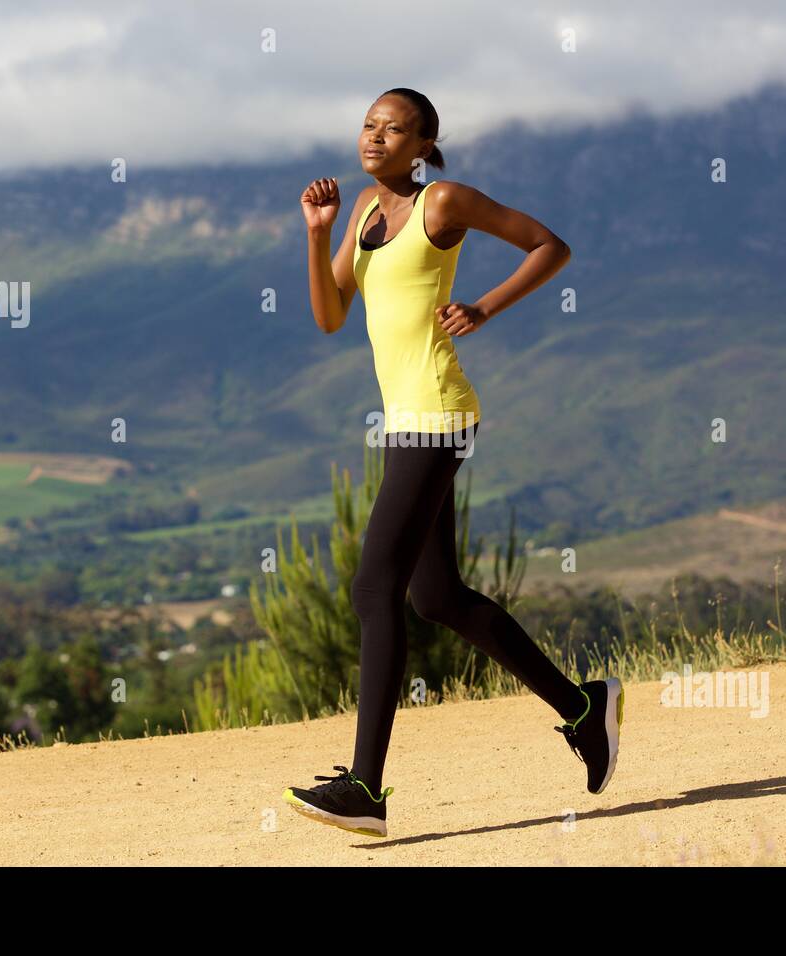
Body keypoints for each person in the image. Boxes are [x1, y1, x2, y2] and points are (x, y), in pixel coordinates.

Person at [284, 88, 623, 837]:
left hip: (437, 415)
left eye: (393, 129)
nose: (375, 137)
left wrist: (484, 307)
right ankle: (583, 709)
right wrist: (318, 233)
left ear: (423, 143)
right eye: (369, 125)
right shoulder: (368, 211)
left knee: (375, 587)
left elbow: (549, 245)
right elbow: (330, 316)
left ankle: (366, 790)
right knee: (433, 599)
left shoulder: (444, 203)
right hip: (405, 420)